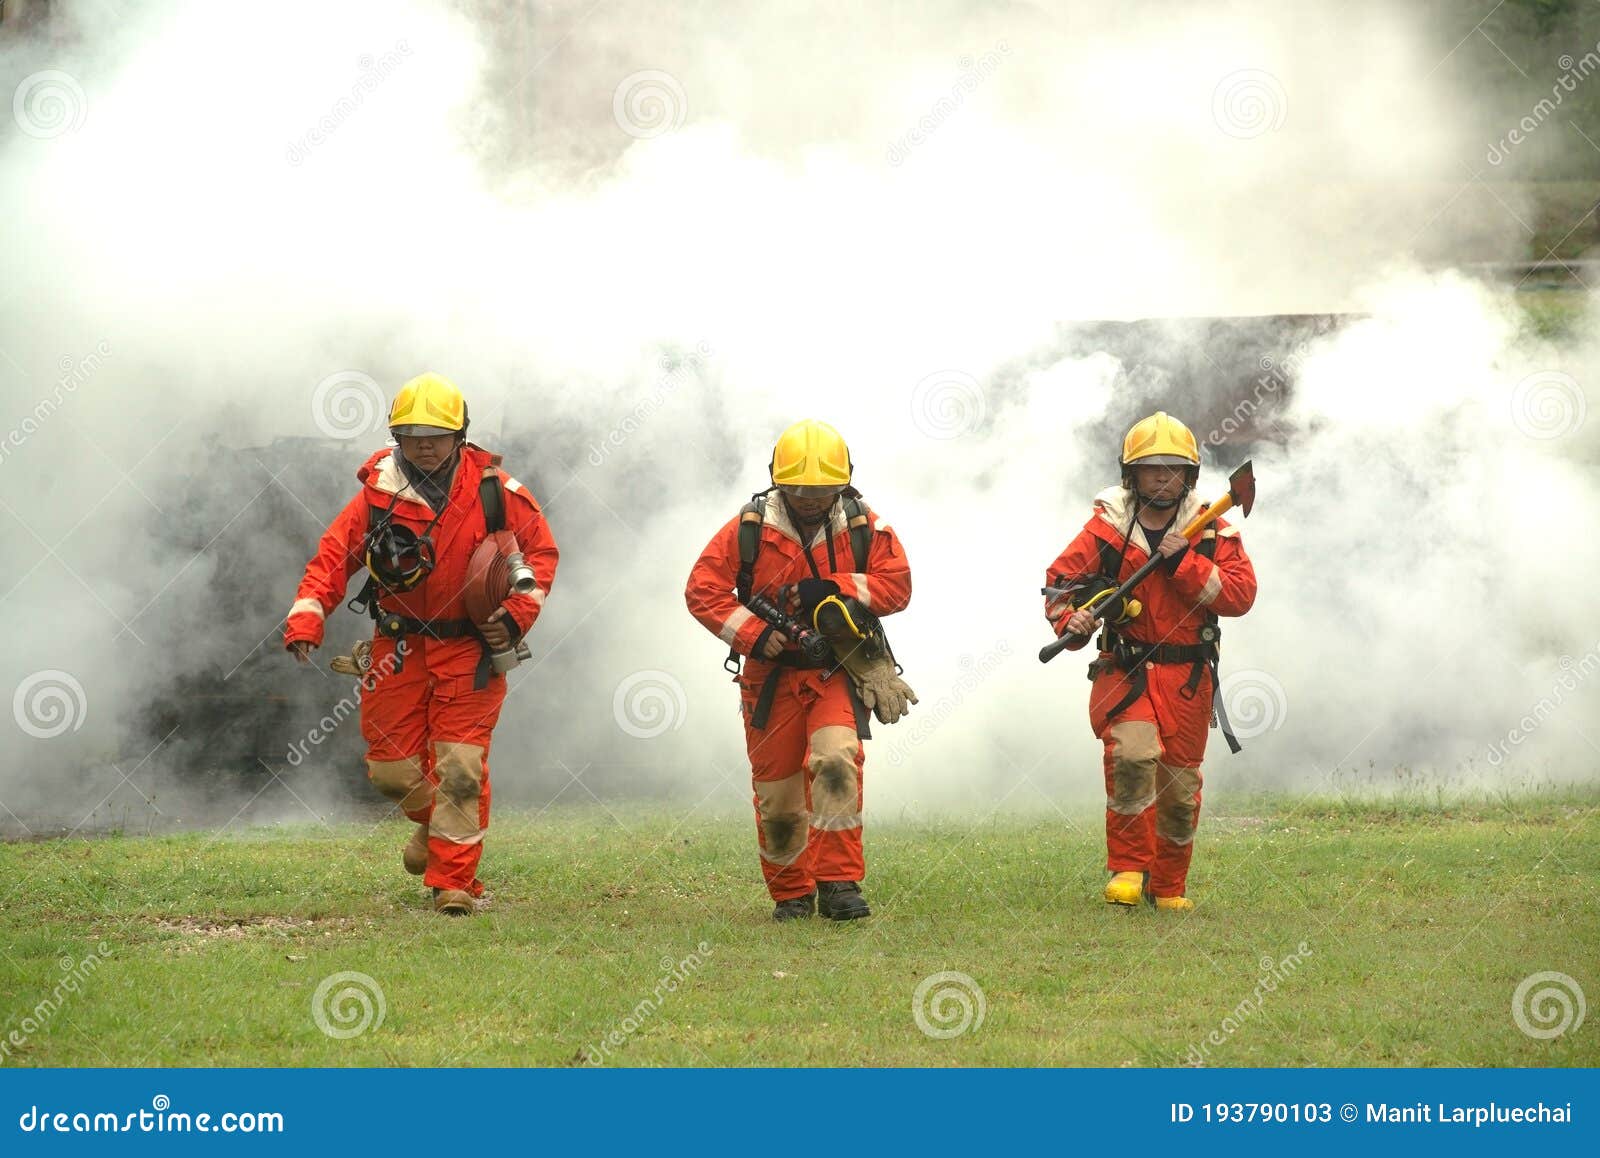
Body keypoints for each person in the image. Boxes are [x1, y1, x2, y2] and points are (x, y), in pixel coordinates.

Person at [284, 373, 558, 915]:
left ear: (460, 435)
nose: (424, 445)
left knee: (461, 770)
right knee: (392, 772)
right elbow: (332, 559)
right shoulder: (377, 494)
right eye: (411, 435)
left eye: (436, 435)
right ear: (396, 437)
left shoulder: (498, 493)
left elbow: (541, 556)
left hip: (470, 650)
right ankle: (436, 830)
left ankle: (453, 884)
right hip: (397, 648)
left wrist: (517, 614)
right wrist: (306, 621)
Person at [686, 419, 915, 921]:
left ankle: (838, 885)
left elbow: (897, 586)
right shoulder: (749, 529)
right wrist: (755, 635)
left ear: (843, 484)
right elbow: (702, 590)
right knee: (778, 796)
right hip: (769, 680)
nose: (810, 500)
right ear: (778, 482)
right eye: (799, 490)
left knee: (836, 760)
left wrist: (834, 586)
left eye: (821, 490)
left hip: (834, 670)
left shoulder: (862, 526)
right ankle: (791, 893)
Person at [1043, 412, 1256, 910]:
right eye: (1151, 468)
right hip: (1126, 672)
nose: (1163, 477)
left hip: (1189, 679)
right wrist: (1072, 621)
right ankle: (1127, 868)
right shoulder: (1106, 530)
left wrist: (1184, 562)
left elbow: (1240, 595)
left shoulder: (1212, 532)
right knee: (1133, 757)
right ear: (1131, 475)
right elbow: (1059, 587)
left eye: (1173, 468)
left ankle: (1168, 886)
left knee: (1180, 790)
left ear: (1189, 475)